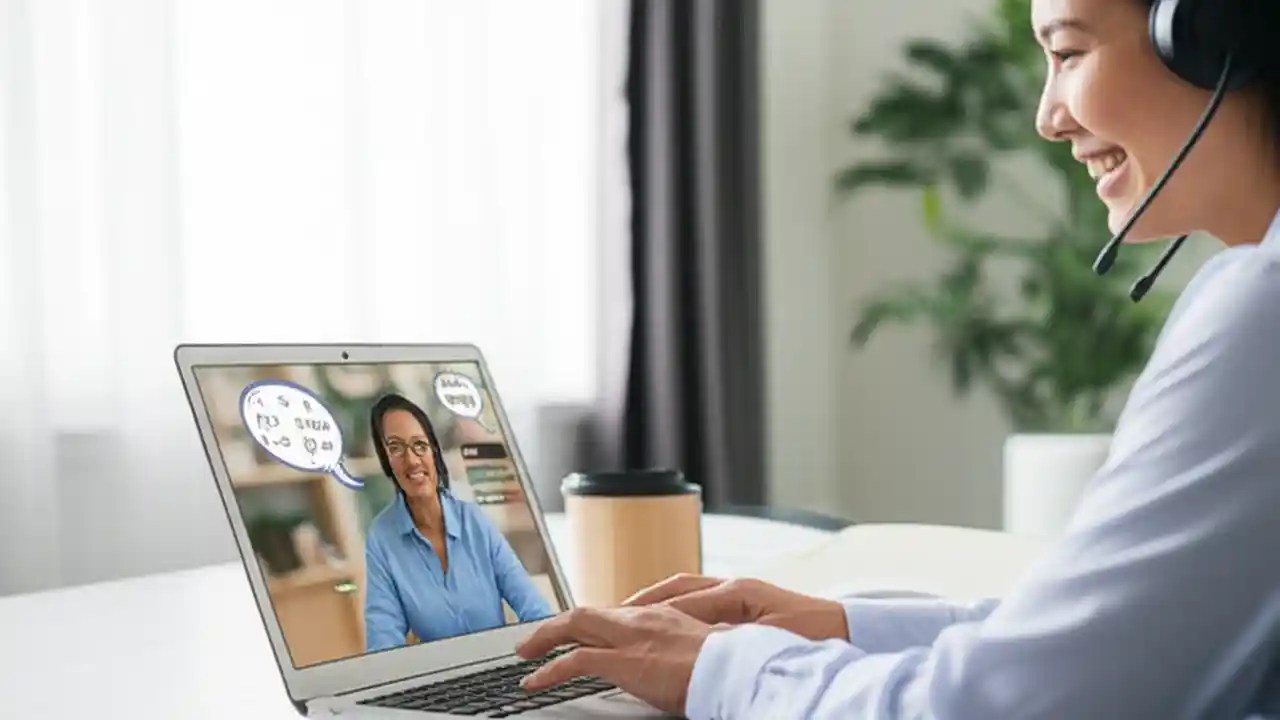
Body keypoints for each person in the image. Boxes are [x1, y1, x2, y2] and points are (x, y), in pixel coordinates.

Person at [511, 1, 1280, 717]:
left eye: (1070, 52)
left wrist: (724, 671)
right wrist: (842, 626)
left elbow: (1019, 706)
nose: (1047, 116)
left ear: (1218, 28)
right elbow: (1134, 642)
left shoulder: (1263, 309)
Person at [363, 392, 553, 651]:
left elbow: (532, 607)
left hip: (500, 665)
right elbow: (383, 640)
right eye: (395, 448)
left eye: (420, 445)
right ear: (386, 460)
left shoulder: (474, 520)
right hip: (437, 678)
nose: (411, 460)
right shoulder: (382, 537)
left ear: (434, 451)